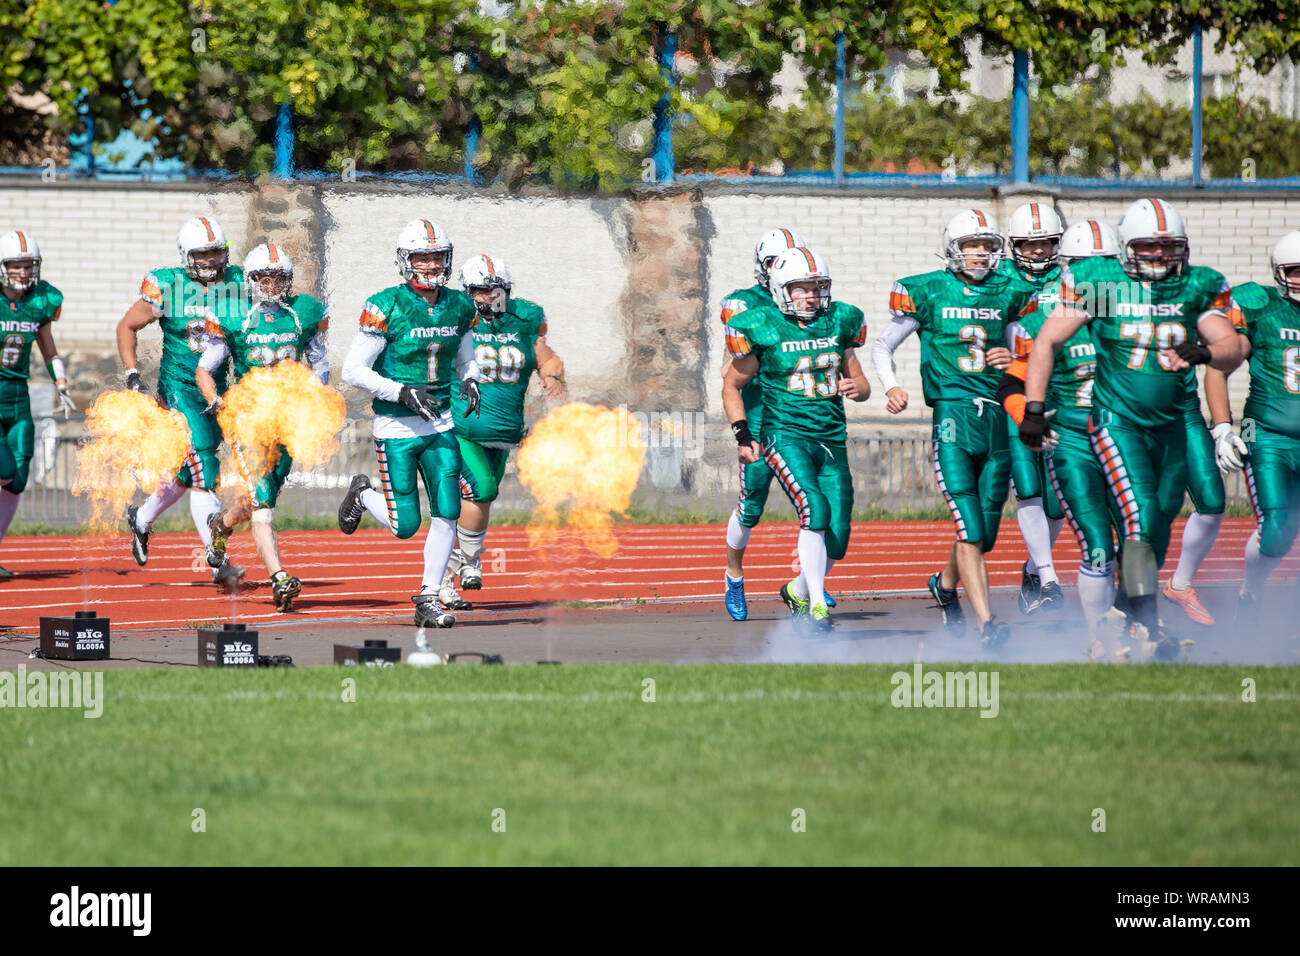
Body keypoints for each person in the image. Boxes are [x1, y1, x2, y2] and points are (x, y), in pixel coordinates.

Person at [1021, 198, 1247, 660]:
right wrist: (1035, 407)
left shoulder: (1194, 288)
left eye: (1169, 248)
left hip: (1170, 426)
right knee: (1139, 513)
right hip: (1116, 422)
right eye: (1149, 247)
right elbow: (1045, 341)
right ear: (1127, 249)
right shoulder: (1104, 287)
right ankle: (1147, 625)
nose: (1160, 258)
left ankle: (1128, 610)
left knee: (1159, 521)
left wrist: (1207, 353)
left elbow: (1233, 344)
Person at [872, 209, 1034, 647]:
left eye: (986, 245)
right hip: (952, 416)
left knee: (985, 534)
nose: (980, 254)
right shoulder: (928, 290)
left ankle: (945, 586)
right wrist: (891, 387)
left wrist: (1016, 361)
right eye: (971, 245)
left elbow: (1027, 349)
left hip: (999, 417)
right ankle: (987, 625)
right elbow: (882, 345)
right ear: (953, 248)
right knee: (969, 528)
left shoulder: (1010, 292)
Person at [336, 219, 481, 628]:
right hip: (397, 428)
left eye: (437, 257)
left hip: (440, 424)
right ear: (406, 261)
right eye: (422, 257)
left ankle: (429, 597)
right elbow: (352, 370)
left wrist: (470, 378)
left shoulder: (460, 305)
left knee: (448, 510)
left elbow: (464, 356)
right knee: (405, 525)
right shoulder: (387, 305)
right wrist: (401, 391)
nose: (431, 265)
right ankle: (363, 495)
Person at [722, 246, 870, 631]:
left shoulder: (839, 321)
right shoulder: (761, 322)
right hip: (781, 432)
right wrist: (742, 434)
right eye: (800, 288)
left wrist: (859, 389)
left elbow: (862, 382)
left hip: (830, 437)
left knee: (838, 536)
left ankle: (800, 590)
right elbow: (731, 382)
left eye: (816, 287)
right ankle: (812, 604)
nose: (809, 296)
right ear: (779, 288)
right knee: (802, 507)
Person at [997, 219, 1123, 650]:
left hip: (1129, 439)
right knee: (1097, 540)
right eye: (1088, 266)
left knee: (1142, 537)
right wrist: (1029, 415)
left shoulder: (1139, 309)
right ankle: (1097, 637)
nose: (1098, 277)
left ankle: (1140, 617)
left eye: (1107, 265)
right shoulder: (1044, 318)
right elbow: (1011, 380)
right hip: (1072, 437)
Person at [195, 243, 331, 612]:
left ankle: (219, 527)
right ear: (252, 280)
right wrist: (217, 400)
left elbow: (320, 363)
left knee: (254, 501)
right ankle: (280, 579)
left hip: (287, 421)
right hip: (249, 421)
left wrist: (314, 390)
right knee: (262, 505)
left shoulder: (304, 312)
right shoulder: (234, 313)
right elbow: (205, 369)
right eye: (264, 278)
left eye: (278, 278)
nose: (272, 285)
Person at [116, 216, 246, 588]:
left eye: (215, 252)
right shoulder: (167, 285)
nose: (209, 260)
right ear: (186, 256)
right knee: (204, 469)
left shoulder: (238, 281)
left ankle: (141, 519)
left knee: (186, 472)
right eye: (201, 253)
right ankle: (219, 566)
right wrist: (132, 373)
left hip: (215, 393)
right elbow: (126, 326)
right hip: (178, 390)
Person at [438, 254, 566, 610]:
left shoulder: (525, 317)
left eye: (495, 290)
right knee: (482, 488)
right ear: (466, 291)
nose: (488, 297)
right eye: (479, 291)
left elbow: (545, 354)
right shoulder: (454, 319)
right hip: (462, 427)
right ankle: (471, 561)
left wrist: (552, 374)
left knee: (472, 502)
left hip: (504, 432)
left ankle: (444, 581)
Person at [1214, 231, 1300, 624]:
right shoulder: (1261, 307)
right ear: (1279, 274)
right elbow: (1220, 367)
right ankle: (1251, 589)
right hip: (1267, 435)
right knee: (1278, 527)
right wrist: (1221, 428)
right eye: (1295, 271)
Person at [0, 230, 76, 578]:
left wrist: (60, 381)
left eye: (28, 264)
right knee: (2, 469)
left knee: (17, 478)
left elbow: (48, 346)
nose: (23, 271)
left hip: (19, 396)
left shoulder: (41, 300)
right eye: (16, 264)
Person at [1004, 202, 1067, 614]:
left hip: (1062, 392)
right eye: (1031, 243)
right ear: (1015, 245)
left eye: (1047, 243)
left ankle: (1033, 567)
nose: (1040, 251)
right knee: (1027, 486)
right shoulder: (998, 281)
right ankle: (1048, 578)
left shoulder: (1073, 280)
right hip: (1010, 389)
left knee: (1059, 499)